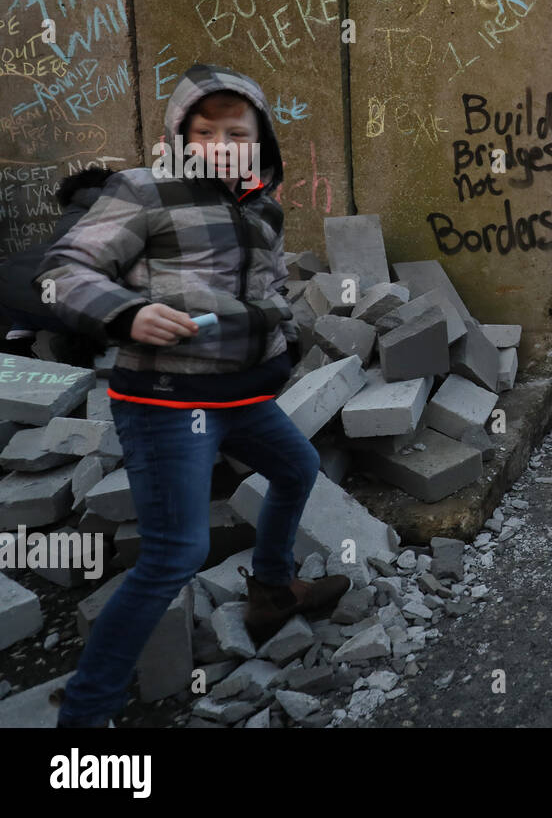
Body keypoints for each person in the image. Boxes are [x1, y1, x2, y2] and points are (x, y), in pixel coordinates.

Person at [37, 64, 349, 727]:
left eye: (234, 130)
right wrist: (124, 313)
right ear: (182, 134)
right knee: (174, 554)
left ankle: (269, 591)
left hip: (240, 395)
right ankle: (82, 721)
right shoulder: (143, 191)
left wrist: (283, 346)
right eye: (202, 130)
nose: (218, 143)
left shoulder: (262, 204)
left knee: (297, 468)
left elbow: (265, 293)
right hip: (166, 400)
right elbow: (64, 270)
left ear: (259, 136)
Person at [0, 167, 113, 364]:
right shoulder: (122, 209)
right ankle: (70, 353)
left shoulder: (72, 212)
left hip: (10, 290)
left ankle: (19, 335)